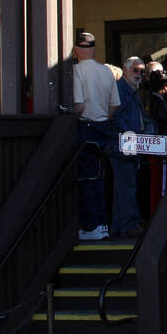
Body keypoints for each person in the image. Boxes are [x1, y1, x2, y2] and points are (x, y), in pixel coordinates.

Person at [71, 31, 119, 240]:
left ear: (76, 50)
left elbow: (79, 106)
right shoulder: (106, 71)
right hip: (104, 127)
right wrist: (102, 119)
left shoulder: (75, 71)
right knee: (103, 176)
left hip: (86, 128)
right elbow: (115, 105)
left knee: (87, 178)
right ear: (93, 49)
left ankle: (91, 226)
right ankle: (103, 224)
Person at [110, 57, 154, 237]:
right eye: (135, 70)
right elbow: (115, 117)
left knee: (122, 187)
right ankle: (129, 225)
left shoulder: (133, 92)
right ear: (125, 70)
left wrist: (151, 131)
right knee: (127, 186)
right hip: (122, 145)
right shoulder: (120, 89)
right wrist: (132, 135)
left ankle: (118, 226)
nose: (139, 74)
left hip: (130, 144)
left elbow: (144, 118)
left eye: (142, 71)